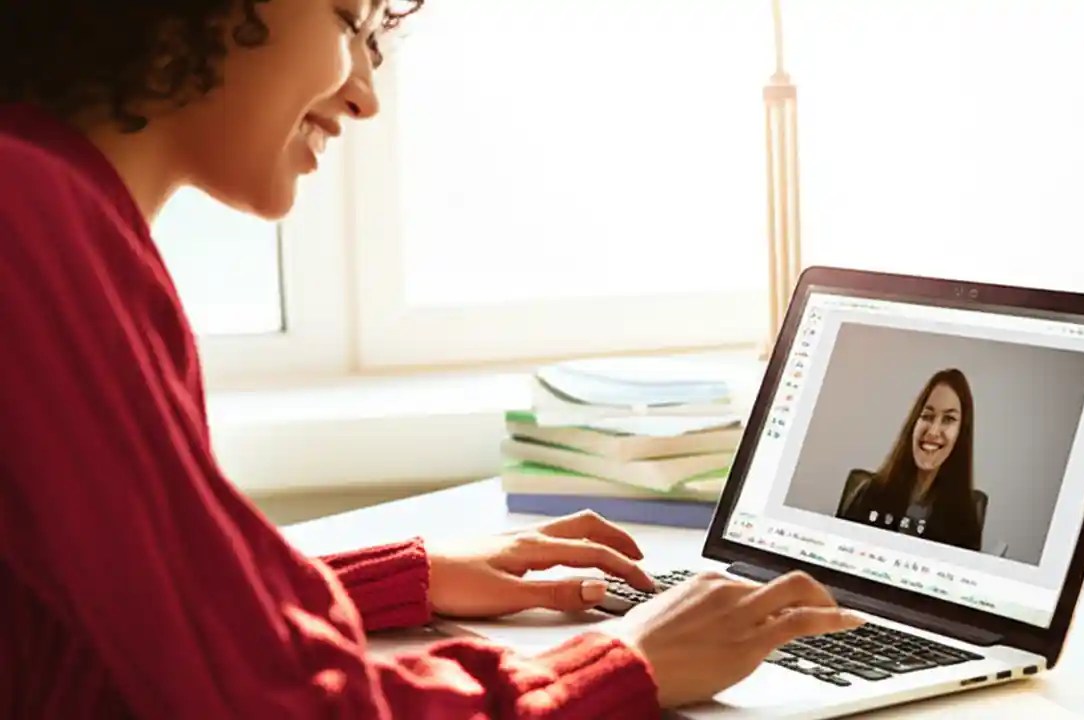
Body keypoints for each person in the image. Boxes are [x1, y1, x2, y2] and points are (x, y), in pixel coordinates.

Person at [0, 1, 865, 717]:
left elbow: (97, 638)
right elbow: (276, 706)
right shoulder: (32, 217)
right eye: (350, 22)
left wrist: (404, 579)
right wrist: (617, 659)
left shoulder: (52, 201)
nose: (366, 95)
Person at [835, 369, 984, 552]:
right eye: (927, 416)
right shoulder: (869, 493)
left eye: (948, 419)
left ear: (962, 433)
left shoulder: (965, 521)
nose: (933, 431)